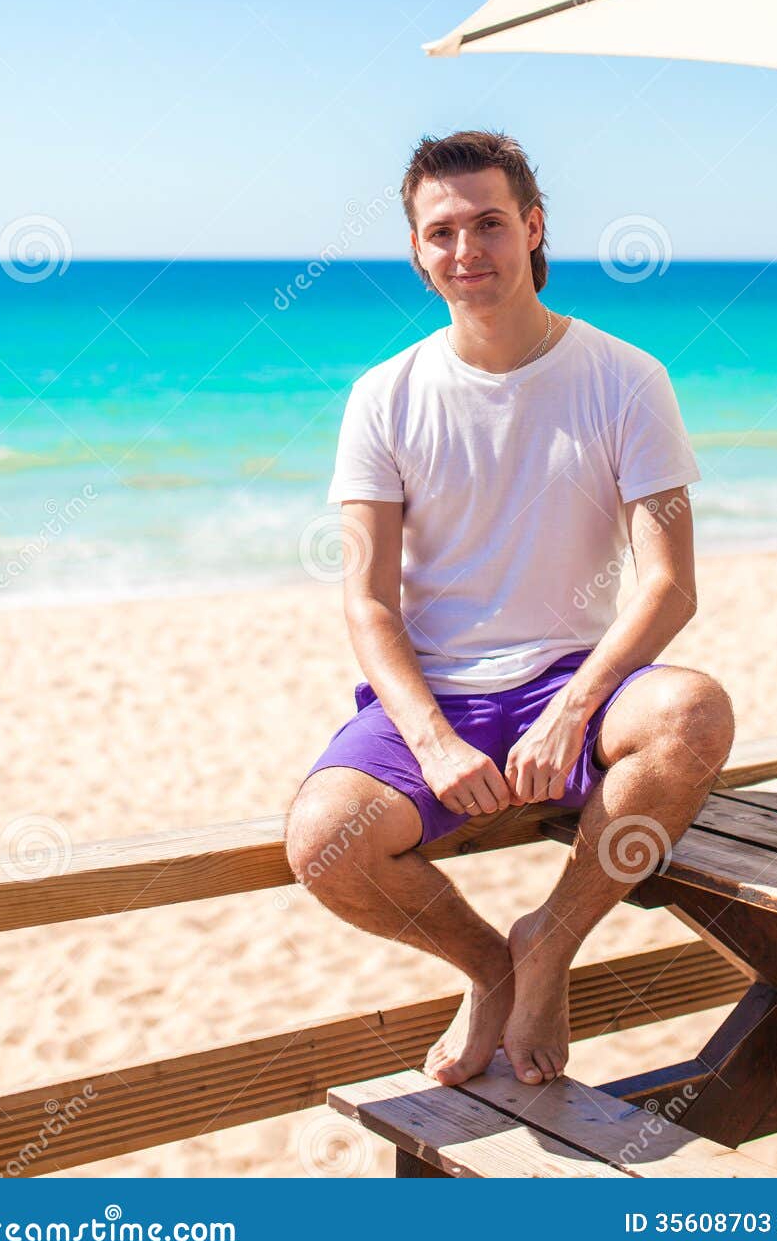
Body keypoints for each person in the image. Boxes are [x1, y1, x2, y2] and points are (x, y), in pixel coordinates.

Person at [284, 130, 734, 1088]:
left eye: (489, 223)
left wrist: (574, 709)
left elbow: (668, 583)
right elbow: (366, 602)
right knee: (324, 842)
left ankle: (549, 943)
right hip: (435, 695)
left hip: (579, 679)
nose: (466, 250)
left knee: (691, 711)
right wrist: (435, 740)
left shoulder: (627, 378)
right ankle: (491, 965)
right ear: (416, 251)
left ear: (533, 228)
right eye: (440, 231)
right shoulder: (382, 396)